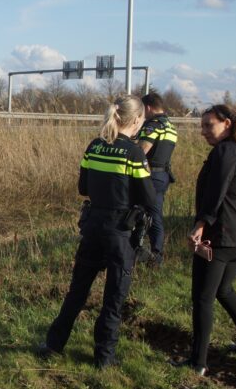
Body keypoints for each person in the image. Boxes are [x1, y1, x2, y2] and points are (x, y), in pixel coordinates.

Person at [38, 95, 156, 369]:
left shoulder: (94, 146)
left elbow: (83, 188)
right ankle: (104, 357)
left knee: (77, 291)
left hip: (93, 227)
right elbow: (149, 199)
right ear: (137, 120)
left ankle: (53, 345)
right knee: (114, 297)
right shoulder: (134, 153)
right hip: (120, 232)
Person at [172, 105, 236, 377]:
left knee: (202, 297)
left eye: (208, 125)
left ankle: (198, 362)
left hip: (219, 238)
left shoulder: (223, 153)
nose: (203, 132)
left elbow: (215, 192)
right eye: (201, 126)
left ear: (226, 124)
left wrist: (201, 225)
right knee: (224, 290)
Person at [135, 92, 178, 264]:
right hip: (162, 176)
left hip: (149, 175)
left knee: (137, 211)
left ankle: (137, 250)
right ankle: (156, 253)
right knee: (155, 214)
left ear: (148, 107)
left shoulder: (153, 125)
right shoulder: (170, 126)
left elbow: (142, 151)